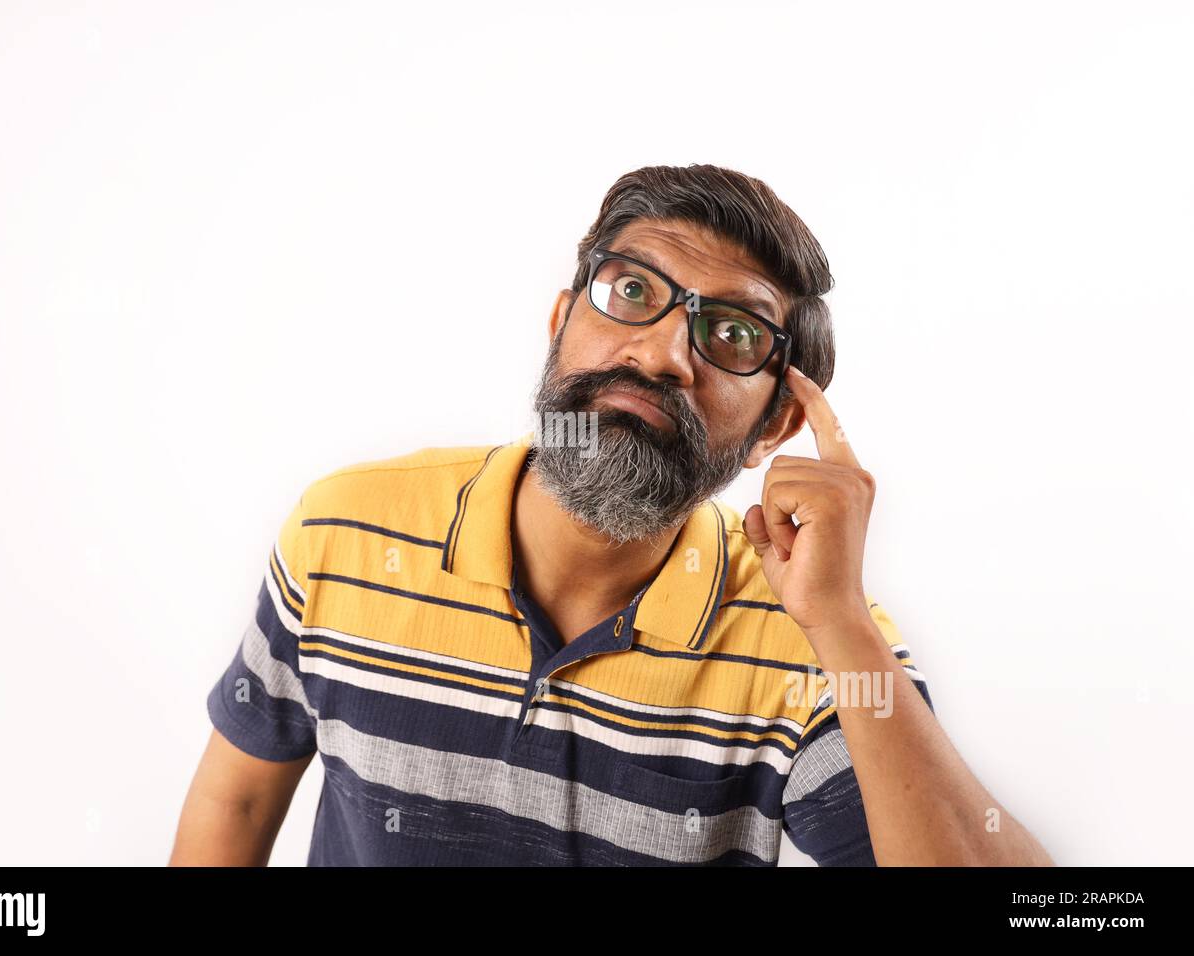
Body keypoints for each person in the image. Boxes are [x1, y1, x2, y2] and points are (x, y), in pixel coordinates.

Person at [169, 163, 1053, 866]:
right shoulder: (345, 532)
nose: (663, 352)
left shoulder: (811, 645)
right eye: (632, 292)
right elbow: (238, 799)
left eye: (732, 335)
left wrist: (842, 624)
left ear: (775, 426)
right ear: (561, 323)